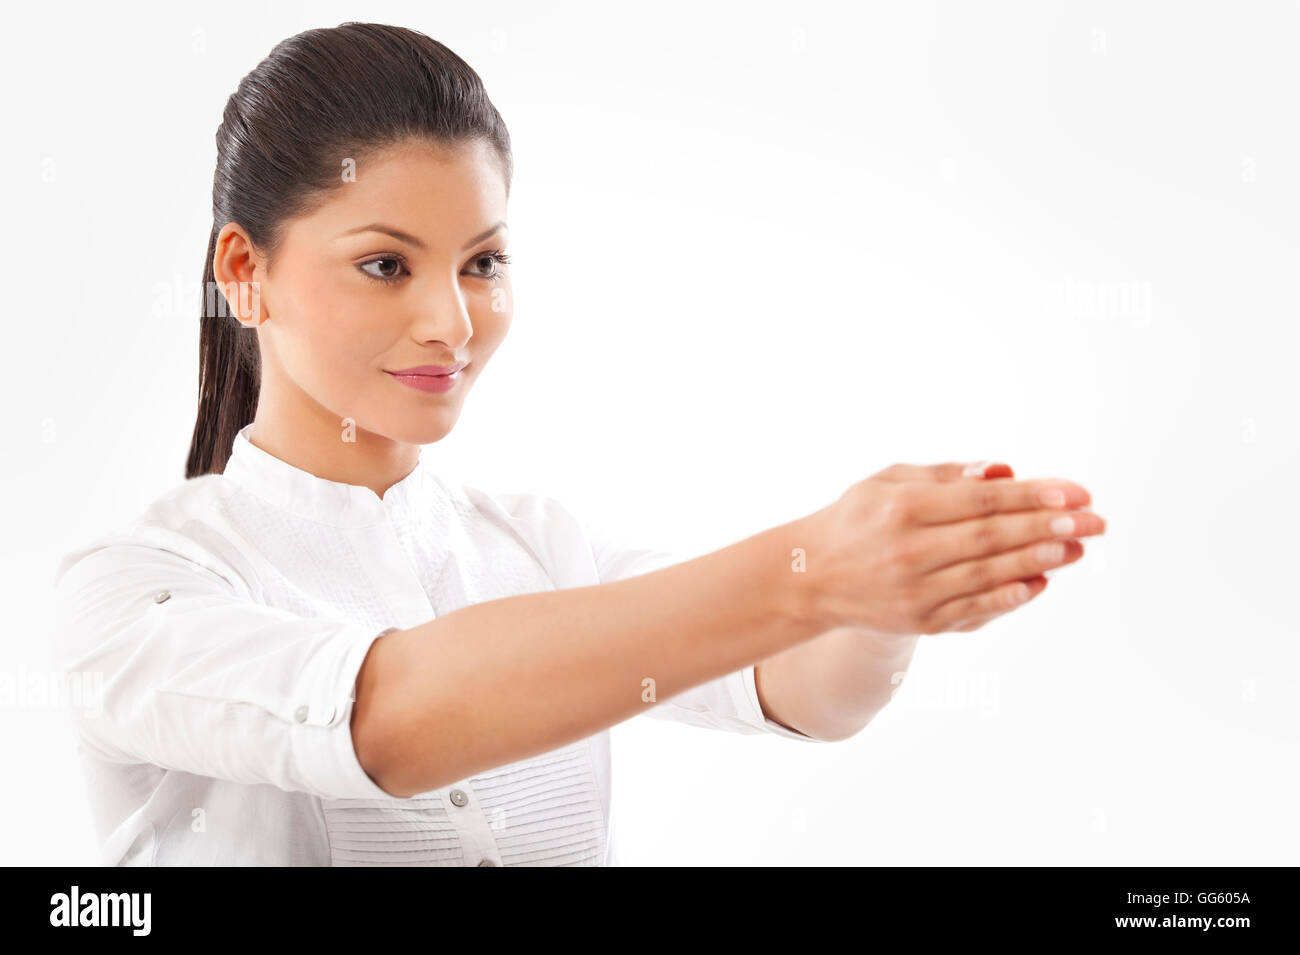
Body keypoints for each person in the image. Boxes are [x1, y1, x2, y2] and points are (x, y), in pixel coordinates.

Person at [50, 22, 1106, 866]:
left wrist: (881, 598)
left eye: (482, 261)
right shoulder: (136, 592)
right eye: (385, 264)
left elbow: (803, 689)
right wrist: (813, 566)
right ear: (244, 270)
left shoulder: (539, 546)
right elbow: (389, 720)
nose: (452, 323)